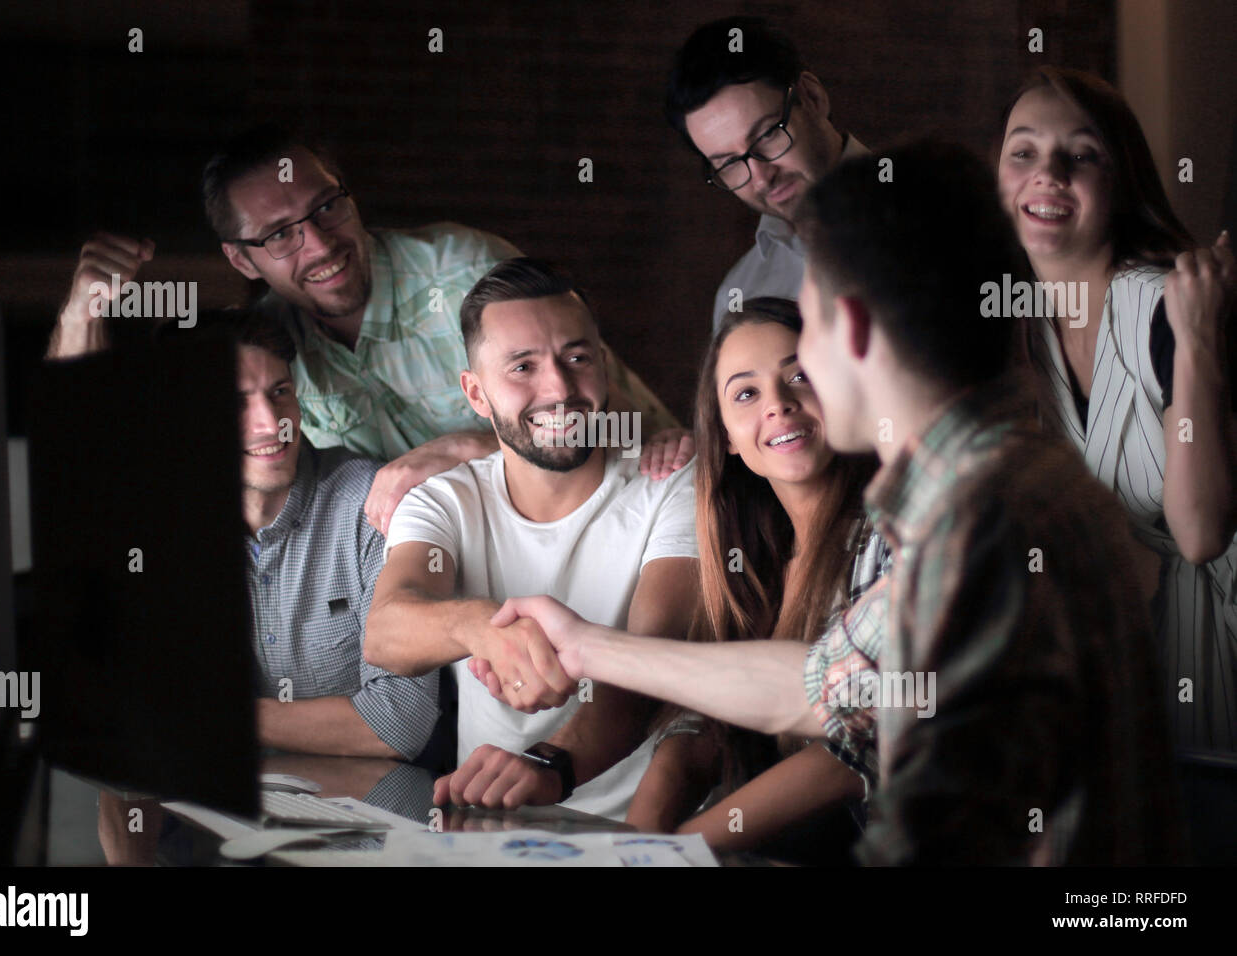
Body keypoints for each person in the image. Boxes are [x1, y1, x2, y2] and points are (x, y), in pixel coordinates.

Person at [493, 141, 1183, 864]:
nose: (799, 379)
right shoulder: (1009, 478)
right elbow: (824, 684)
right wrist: (584, 646)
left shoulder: (974, 518)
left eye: (809, 329)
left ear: (850, 328)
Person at [46, 125, 681, 532]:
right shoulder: (267, 346)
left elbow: (592, 424)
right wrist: (81, 315)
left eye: (326, 207)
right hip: (457, 568)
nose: (319, 243)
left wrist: (454, 448)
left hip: (627, 509)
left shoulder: (466, 271)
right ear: (242, 260)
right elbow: (92, 453)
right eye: (279, 234)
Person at [362, 257, 700, 822]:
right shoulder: (442, 501)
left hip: (646, 827)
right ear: (476, 393)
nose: (559, 388)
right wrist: (484, 628)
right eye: (522, 367)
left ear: (604, 366)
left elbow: (652, 663)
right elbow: (385, 633)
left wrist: (552, 764)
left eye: (577, 357)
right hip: (490, 824)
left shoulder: (671, 484)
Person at [997, 66, 1237, 754]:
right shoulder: (1020, 323)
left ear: (1121, 178)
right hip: (1142, 647)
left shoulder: (1167, 305)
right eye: (1023, 152)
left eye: (1081, 154)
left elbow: (1199, 533)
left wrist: (1196, 339)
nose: (1048, 173)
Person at [618, 297, 887, 857]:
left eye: (801, 376)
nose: (780, 405)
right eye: (747, 393)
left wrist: (677, 851)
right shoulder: (752, 559)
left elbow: (858, 742)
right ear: (727, 437)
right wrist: (635, 839)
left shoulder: (887, 534)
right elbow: (705, 727)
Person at [179, 307, 441, 760]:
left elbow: (400, 723)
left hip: (383, 817)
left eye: (279, 392)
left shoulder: (372, 505)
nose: (270, 423)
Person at [663, 16, 868, 326]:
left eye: (767, 135)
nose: (761, 176)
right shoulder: (741, 294)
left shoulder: (944, 215)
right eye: (730, 163)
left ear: (812, 98)